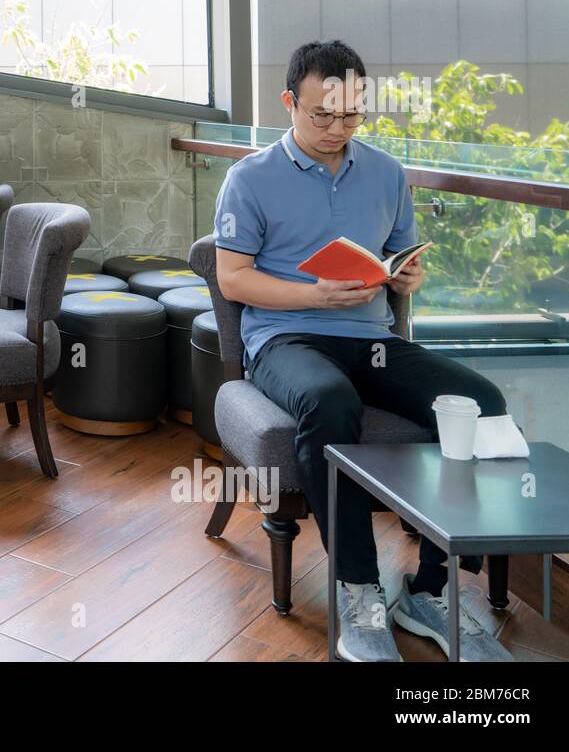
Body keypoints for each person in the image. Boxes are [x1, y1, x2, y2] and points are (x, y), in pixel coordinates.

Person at [213, 40, 512, 663]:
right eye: (322, 115)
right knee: (328, 400)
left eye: (351, 116)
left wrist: (406, 278)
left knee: (480, 401)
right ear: (289, 102)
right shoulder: (249, 178)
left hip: (371, 339)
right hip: (284, 337)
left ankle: (429, 588)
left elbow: (400, 257)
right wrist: (313, 295)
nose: (336, 129)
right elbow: (233, 278)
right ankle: (359, 589)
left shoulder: (384, 172)